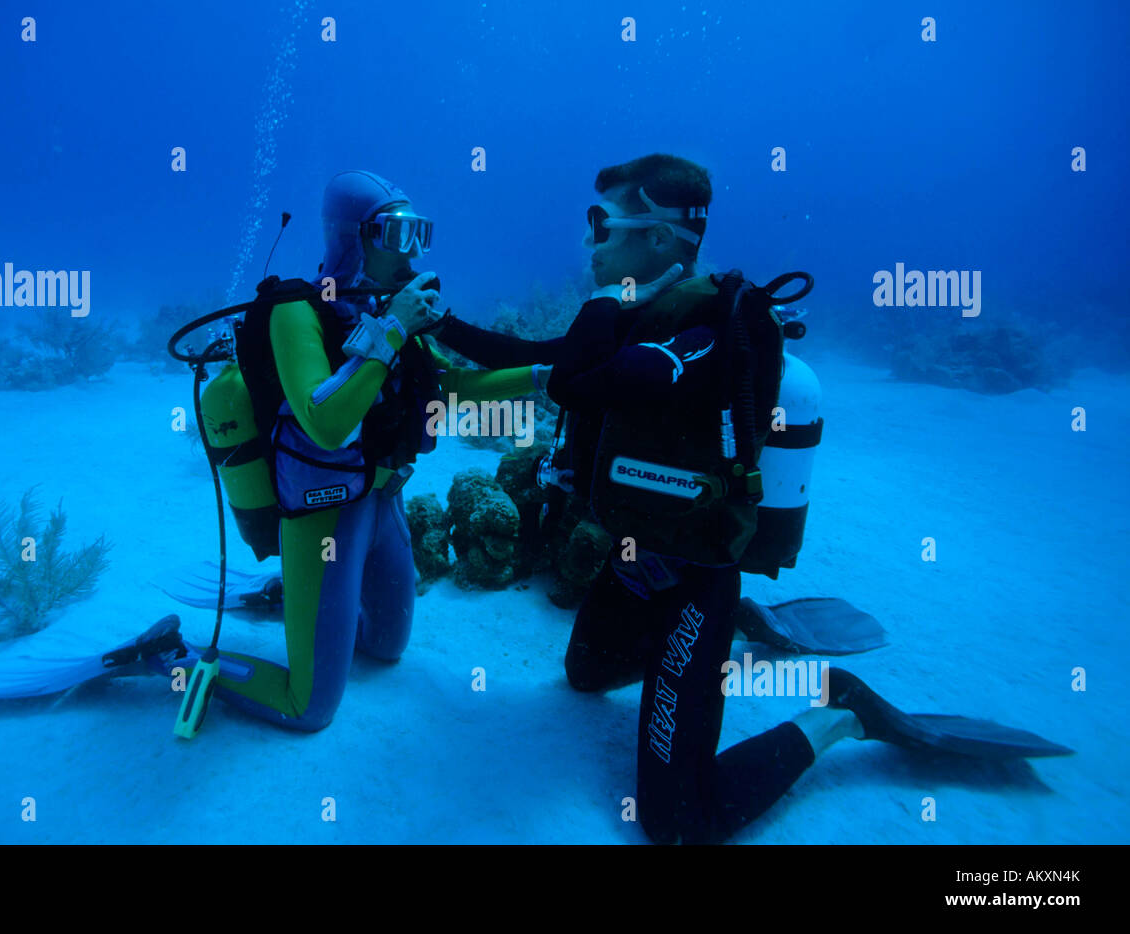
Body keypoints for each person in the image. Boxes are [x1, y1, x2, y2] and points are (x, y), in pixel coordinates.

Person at [429, 153, 1070, 843]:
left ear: (658, 235)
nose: (590, 242)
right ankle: (733, 635)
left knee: (677, 823)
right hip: (638, 557)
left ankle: (842, 713)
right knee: (586, 674)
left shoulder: (712, 330)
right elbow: (537, 355)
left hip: (696, 575)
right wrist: (434, 321)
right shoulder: (638, 311)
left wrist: (602, 299)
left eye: (602, 224)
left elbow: (578, 383)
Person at [203, 170, 539, 731]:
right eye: (397, 234)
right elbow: (326, 423)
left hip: (385, 502)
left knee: (385, 646)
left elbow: (447, 386)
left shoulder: (386, 312)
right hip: (326, 513)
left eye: (419, 234)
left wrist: (540, 377)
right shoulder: (297, 311)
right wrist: (394, 328)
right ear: (352, 237)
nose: (412, 253)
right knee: (308, 707)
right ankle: (177, 658)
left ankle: (297, 601)